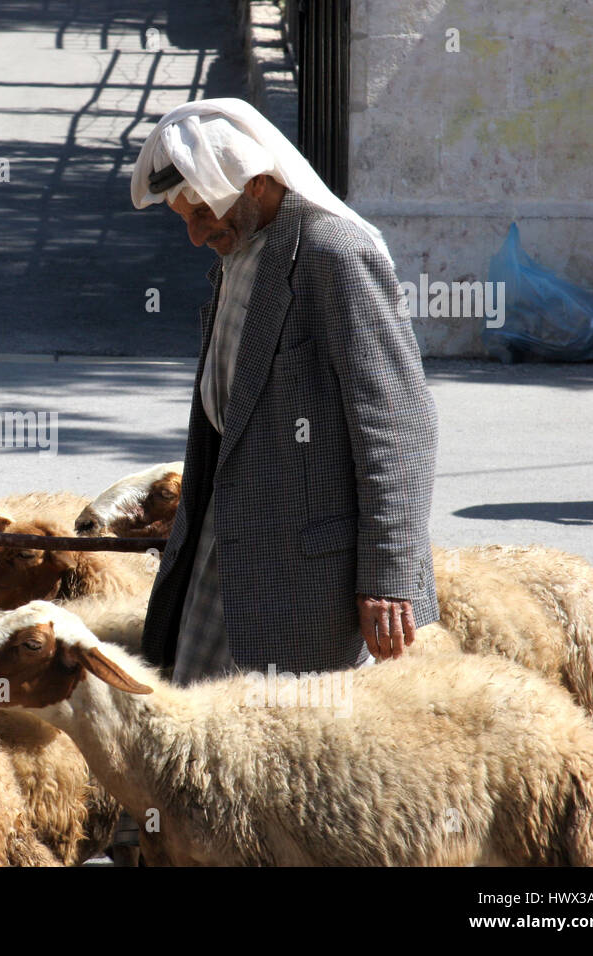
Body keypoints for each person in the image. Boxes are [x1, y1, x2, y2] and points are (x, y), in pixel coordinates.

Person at [130, 99, 440, 686]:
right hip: (226, 548)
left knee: (301, 758)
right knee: (204, 742)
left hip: (313, 578)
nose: (196, 237)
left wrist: (388, 577)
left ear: (257, 183)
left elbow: (399, 425)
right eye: (184, 219)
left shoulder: (334, 255)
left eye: (202, 214)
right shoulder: (237, 254)